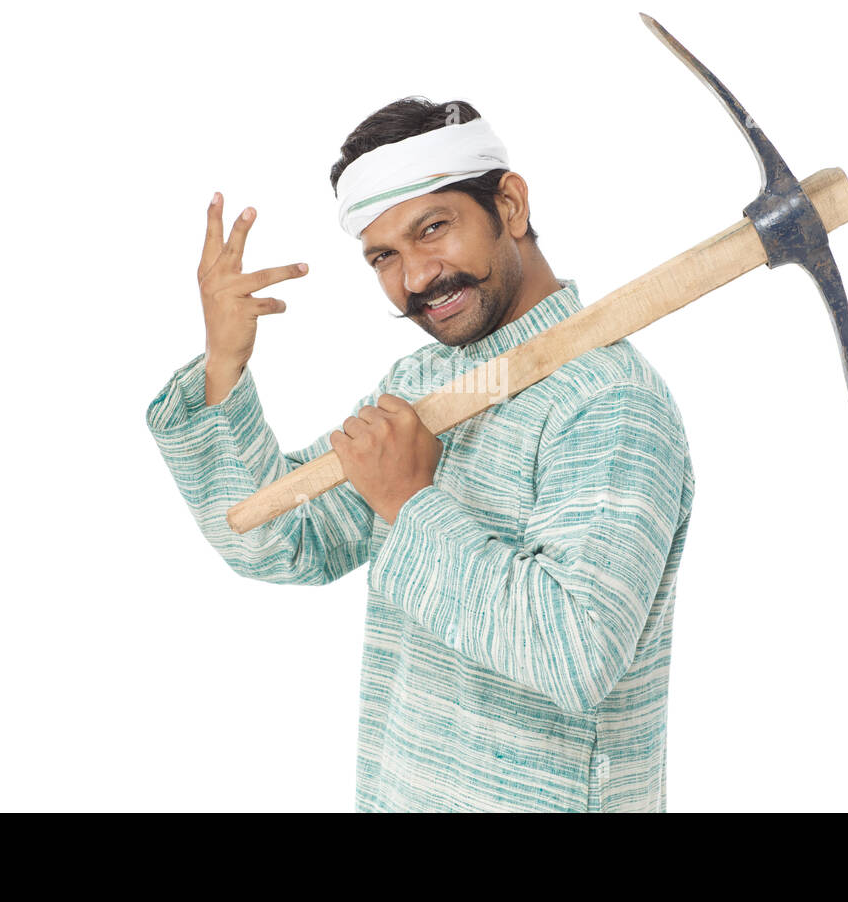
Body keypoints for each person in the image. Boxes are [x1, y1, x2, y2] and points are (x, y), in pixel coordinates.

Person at [145, 97, 695, 812]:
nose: (415, 278)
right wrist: (224, 363)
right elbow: (278, 540)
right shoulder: (422, 384)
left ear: (511, 204)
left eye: (433, 229)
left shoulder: (610, 400)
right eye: (384, 257)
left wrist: (410, 503)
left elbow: (577, 653)